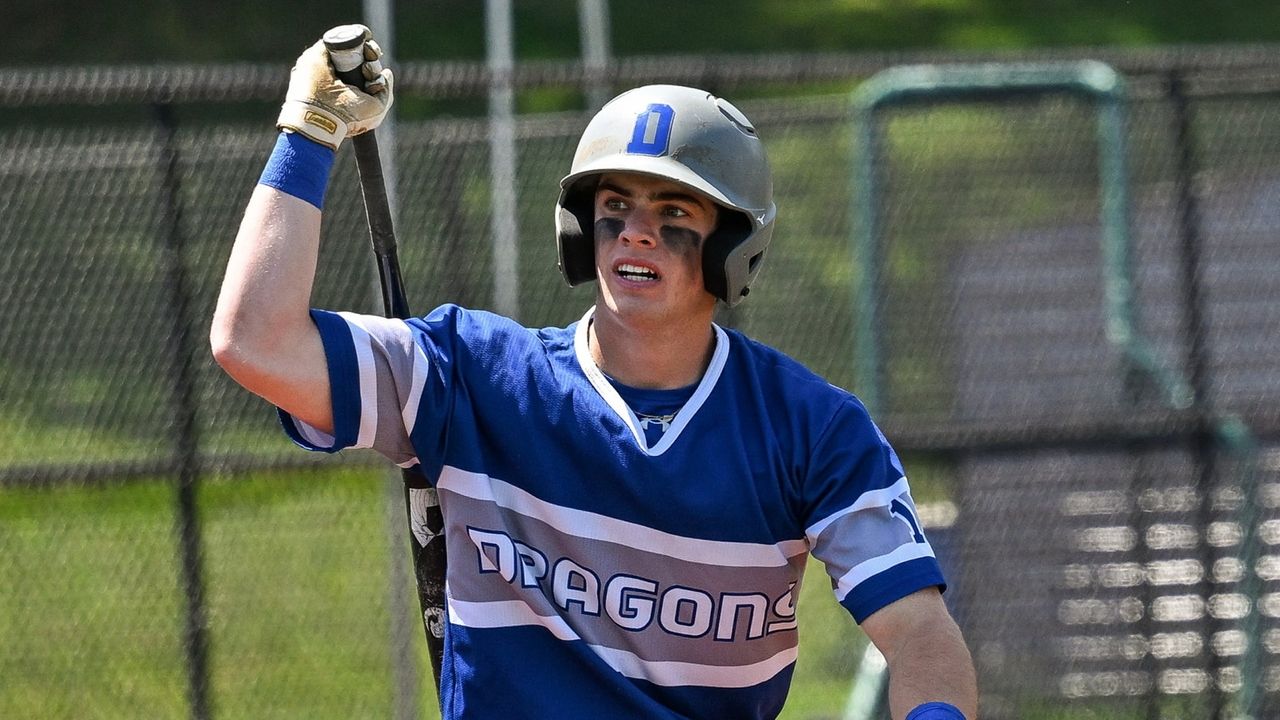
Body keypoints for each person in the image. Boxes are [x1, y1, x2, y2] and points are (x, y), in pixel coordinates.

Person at [211, 26, 978, 720]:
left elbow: (917, 630)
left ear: (732, 247)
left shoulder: (811, 429)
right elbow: (255, 342)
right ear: (582, 229)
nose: (636, 232)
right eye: (616, 205)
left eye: (675, 213)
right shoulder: (469, 376)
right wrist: (309, 130)